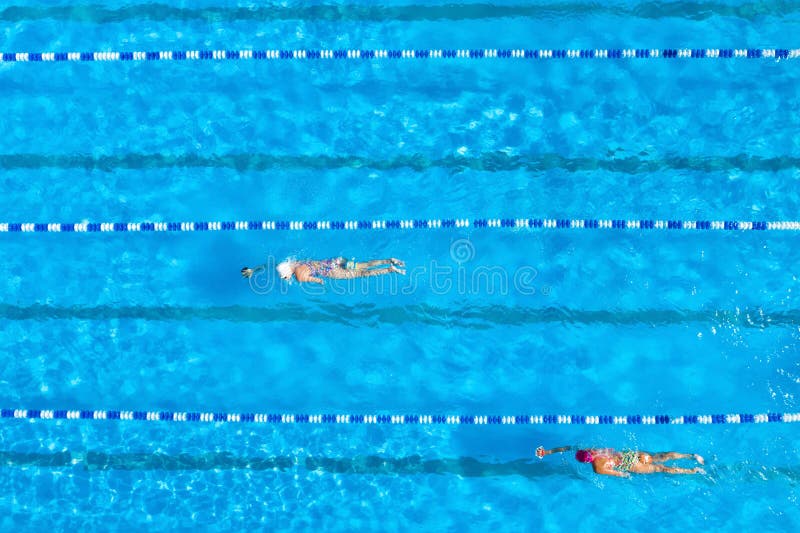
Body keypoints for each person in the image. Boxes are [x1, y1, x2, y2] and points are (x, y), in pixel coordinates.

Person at [535, 445, 705, 477]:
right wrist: (548, 451)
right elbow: (569, 447)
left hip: (632, 465)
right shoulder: (594, 449)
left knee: (662, 469)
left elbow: (619, 474)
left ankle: (693, 471)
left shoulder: (597, 468)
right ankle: (691, 456)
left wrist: (626, 476)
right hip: (632, 455)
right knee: (662, 456)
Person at [241, 257, 405, 284]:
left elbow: (319, 280)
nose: (285, 279)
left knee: (362, 274)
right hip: (334, 261)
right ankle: (389, 260)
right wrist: (254, 269)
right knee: (363, 265)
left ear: (287, 274)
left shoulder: (299, 277)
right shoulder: (294, 263)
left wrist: (321, 284)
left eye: (284, 278)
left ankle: (390, 270)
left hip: (332, 272)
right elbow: (271, 265)